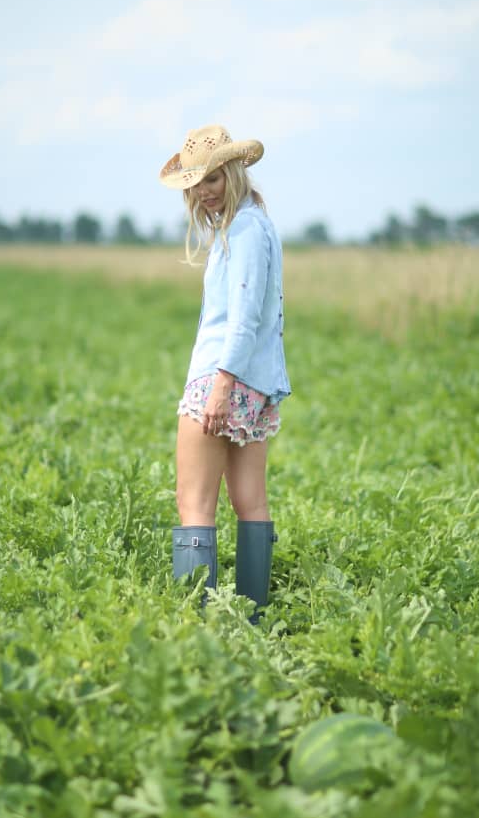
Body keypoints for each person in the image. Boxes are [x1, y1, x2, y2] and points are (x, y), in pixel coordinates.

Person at [159, 124, 291, 621]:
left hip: (222, 380)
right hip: (251, 384)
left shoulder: (244, 230)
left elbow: (243, 319)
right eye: (195, 184)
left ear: (234, 171)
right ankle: (252, 620)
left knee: (193, 504)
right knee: (250, 503)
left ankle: (202, 627)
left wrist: (219, 386)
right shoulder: (253, 224)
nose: (203, 192)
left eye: (212, 179)